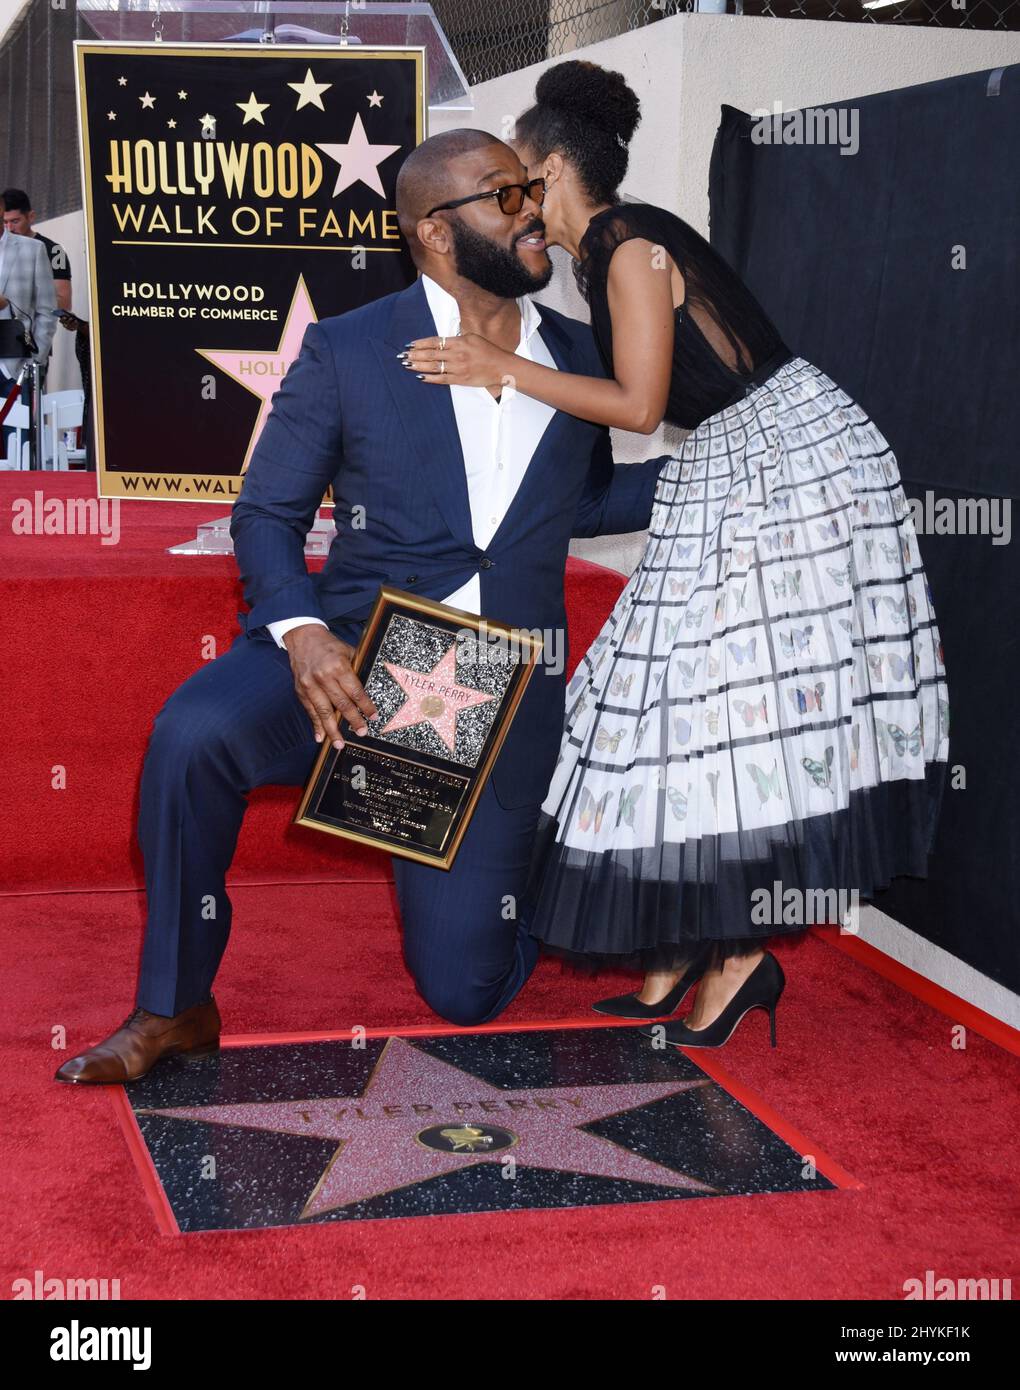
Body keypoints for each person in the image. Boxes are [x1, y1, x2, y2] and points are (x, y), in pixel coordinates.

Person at [54, 128, 674, 1086]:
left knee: (464, 992)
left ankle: (529, 861)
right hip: (352, 653)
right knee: (192, 735)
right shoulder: (350, 348)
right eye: (504, 196)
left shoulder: (582, 353)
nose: (533, 211)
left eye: (531, 189)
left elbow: (585, 502)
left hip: (484, 682)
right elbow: (266, 513)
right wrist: (300, 637)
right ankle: (174, 1005)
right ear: (434, 230)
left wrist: (716, 476)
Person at [402, 61, 951, 1048]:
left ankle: (740, 958)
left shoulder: (628, 244)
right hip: (738, 466)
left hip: (793, 469)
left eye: (516, 173)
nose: (508, 196)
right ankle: (683, 949)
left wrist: (500, 367)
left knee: (748, 718)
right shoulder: (598, 254)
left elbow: (642, 407)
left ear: (557, 165)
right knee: (663, 706)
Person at [0, 196, 56, 464]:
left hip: (18, 363)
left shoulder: (32, 250)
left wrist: (37, 360)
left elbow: (47, 309)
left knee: (20, 444)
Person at [1, 188, 72, 313]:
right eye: (4, 222)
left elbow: (64, 302)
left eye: (15, 221)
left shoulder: (55, 251)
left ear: (31, 217)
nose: (9, 228)